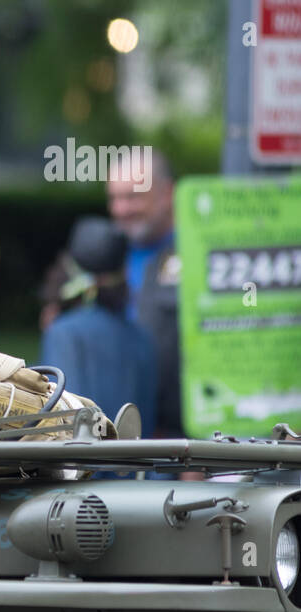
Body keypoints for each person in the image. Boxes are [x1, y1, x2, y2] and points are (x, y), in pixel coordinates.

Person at [40, 217, 157, 434]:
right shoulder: (142, 337)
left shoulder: (63, 334)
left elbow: (64, 422)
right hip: (137, 466)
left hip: (85, 465)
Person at [107, 149, 183, 437]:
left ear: (166, 194)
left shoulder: (196, 255)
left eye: (133, 196)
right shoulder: (104, 255)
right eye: (114, 198)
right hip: (114, 430)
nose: (121, 209)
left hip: (175, 439)